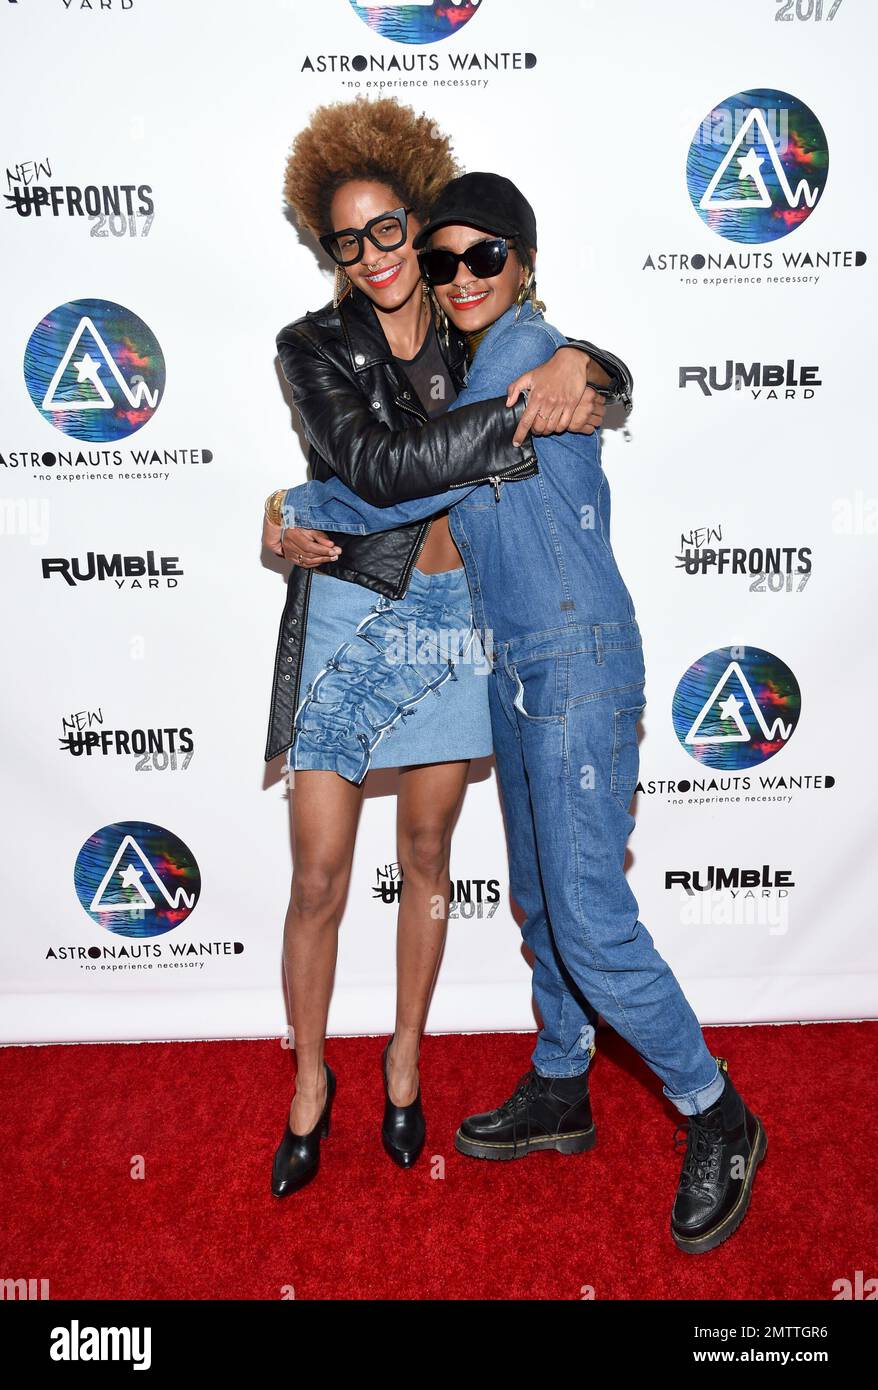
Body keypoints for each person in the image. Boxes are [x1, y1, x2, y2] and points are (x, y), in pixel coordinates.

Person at [281, 171, 767, 1254]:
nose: (458, 277)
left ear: (524, 263)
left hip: (574, 655)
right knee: (545, 905)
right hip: (514, 662)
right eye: (442, 261)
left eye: (481, 257)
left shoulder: (515, 357)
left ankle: (714, 1109)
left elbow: (402, 478)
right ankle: (561, 1080)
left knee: (590, 921)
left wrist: (291, 505)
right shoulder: (497, 357)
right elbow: (420, 458)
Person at [261, 97, 633, 1198]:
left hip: (462, 628)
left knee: (427, 860)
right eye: (348, 237)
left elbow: (575, 360)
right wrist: (528, 409)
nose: (376, 255)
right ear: (324, 246)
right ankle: (309, 1084)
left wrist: (590, 370)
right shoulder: (310, 346)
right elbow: (373, 470)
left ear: (419, 228)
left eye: (392, 232)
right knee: (319, 872)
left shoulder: (476, 323)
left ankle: (405, 1058)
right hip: (351, 612)